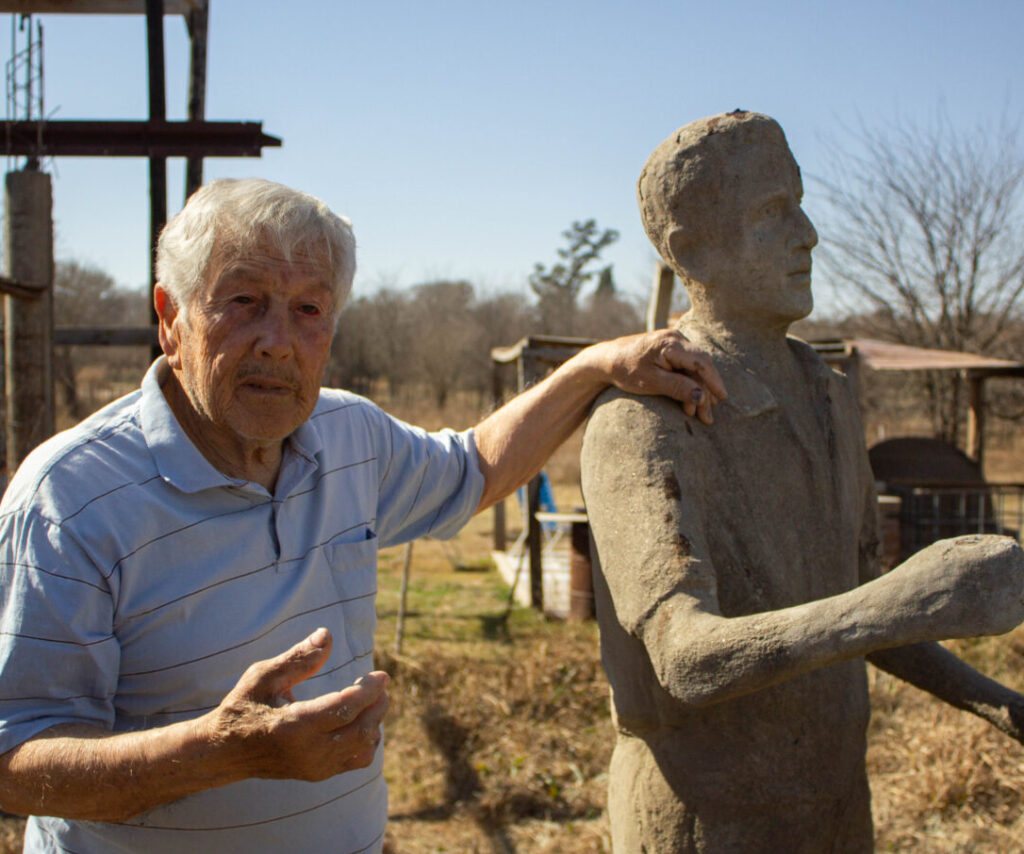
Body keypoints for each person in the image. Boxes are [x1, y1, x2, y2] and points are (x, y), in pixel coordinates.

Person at [0, 178, 726, 854]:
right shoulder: (71, 498)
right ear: (170, 319)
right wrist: (225, 753)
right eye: (243, 301)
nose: (277, 340)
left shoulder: (349, 438)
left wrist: (594, 367)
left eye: (308, 310)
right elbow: (14, 759)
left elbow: (476, 468)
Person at [580, 111, 1024, 852]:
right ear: (694, 251)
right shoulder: (644, 421)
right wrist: (904, 602)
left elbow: (856, 605)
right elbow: (687, 658)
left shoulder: (827, 395)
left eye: (801, 203)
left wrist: (999, 702)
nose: (809, 234)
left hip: (836, 807)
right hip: (706, 823)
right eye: (772, 213)